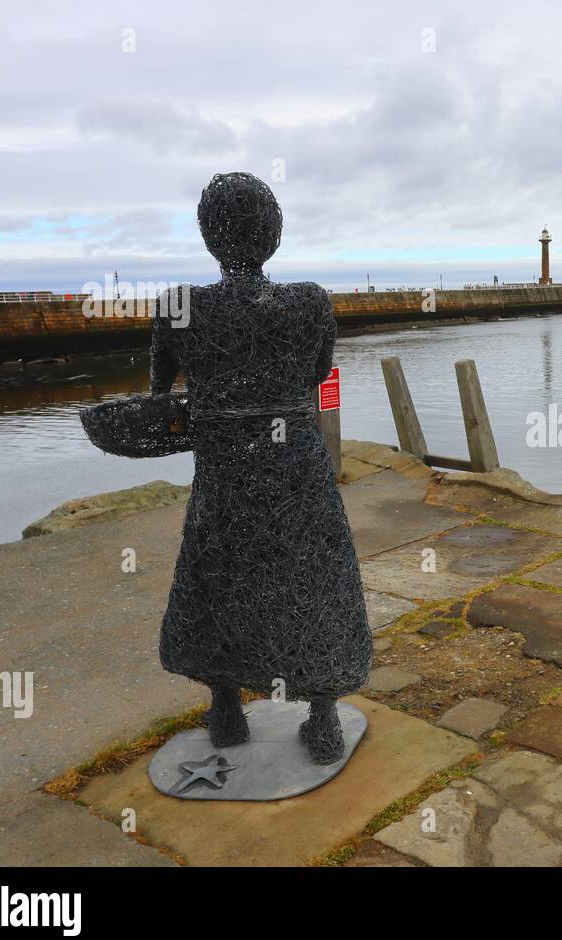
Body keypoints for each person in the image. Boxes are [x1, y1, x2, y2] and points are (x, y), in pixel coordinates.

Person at [149, 172, 371, 763]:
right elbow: (319, 375)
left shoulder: (178, 305)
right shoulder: (308, 302)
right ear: (273, 234)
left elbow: (158, 398)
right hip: (295, 464)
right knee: (312, 575)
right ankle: (322, 720)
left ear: (208, 236)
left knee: (218, 571)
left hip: (224, 468)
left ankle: (225, 710)